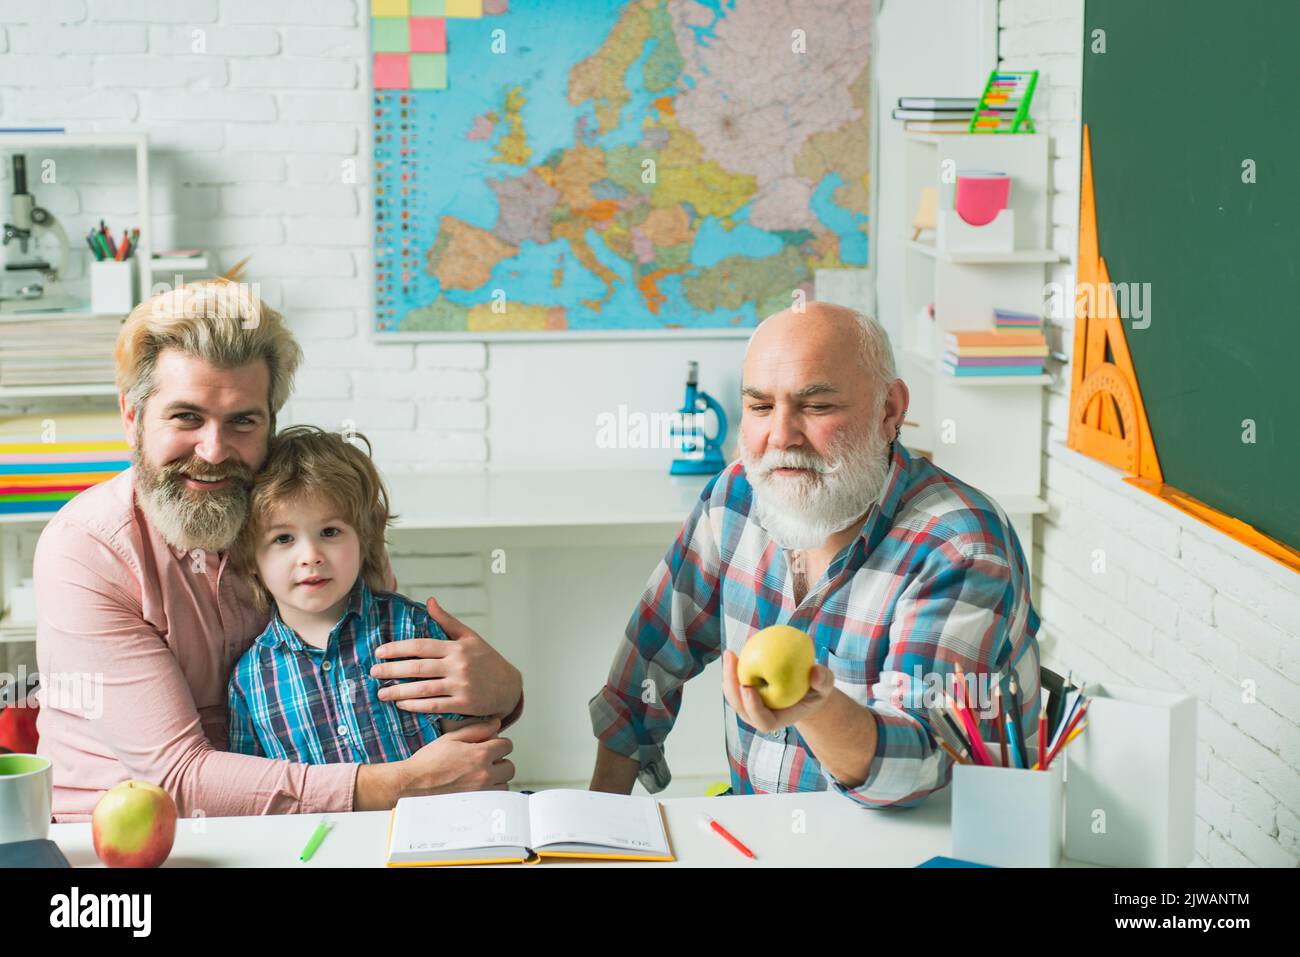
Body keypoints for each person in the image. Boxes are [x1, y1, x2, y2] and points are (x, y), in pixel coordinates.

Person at [35, 279, 522, 821]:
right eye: (186, 417)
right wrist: (401, 785)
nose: (214, 451)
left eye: (243, 420)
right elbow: (177, 777)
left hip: (304, 828)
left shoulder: (309, 517)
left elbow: (375, 684)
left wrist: (503, 690)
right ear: (132, 416)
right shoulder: (84, 551)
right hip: (124, 836)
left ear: (270, 420)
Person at [588, 302, 1041, 807]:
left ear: (890, 410)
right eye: (760, 407)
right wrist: (593, 827)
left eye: (817, 407)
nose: (780, 436)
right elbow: (648, 661)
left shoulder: (961, 545)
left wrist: (814, 708)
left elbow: (924, 765)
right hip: (761, 835)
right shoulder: (736, 496)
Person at [226, 425, 512, 793]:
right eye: (283, 538)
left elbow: (476, 756)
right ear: (251, 559)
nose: (310, 556)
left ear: (363, 539)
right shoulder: (249, 681)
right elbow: (257, 795)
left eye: (330, 532)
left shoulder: (412, 629)